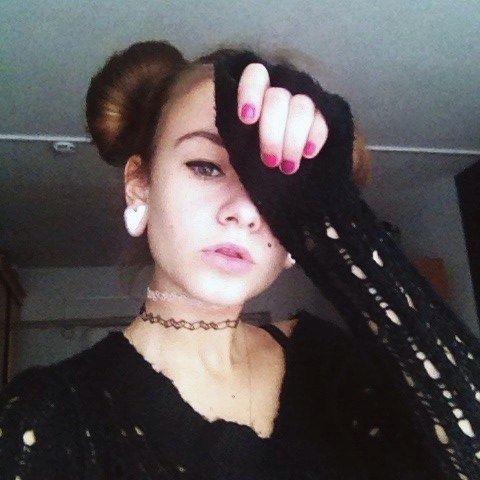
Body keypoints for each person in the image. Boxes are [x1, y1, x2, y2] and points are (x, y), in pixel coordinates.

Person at [0, 40, 479, 480]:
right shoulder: (47, 416)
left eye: (274, 189)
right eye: (206, 166)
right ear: (140, 186)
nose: (245, 211)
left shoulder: (329, 365)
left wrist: (331, 214)